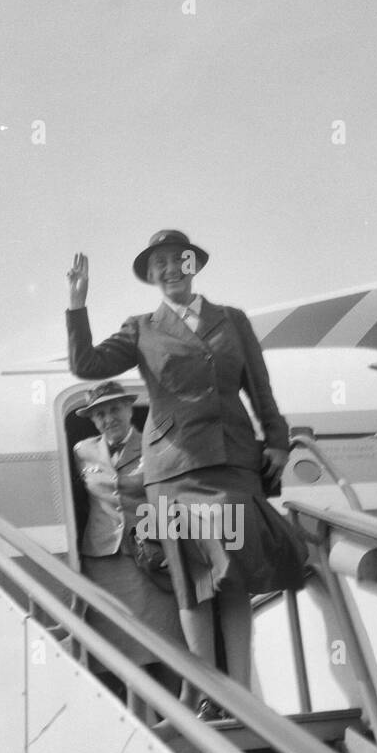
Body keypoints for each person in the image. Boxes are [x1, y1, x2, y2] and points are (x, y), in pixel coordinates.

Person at [66, 229, 306, 719]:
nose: (172, 269)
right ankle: (202, 691)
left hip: (232, 464)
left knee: (235, 575)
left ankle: (239, 694)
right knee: (190, 575)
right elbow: (85, 364)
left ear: (195, 265)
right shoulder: (142, 328)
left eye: (180, 260)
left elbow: (259, 387)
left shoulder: (233, 321)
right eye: (161, 265)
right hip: (172, 471)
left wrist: (277, 441)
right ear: (151, 276)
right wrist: (77, 304)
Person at [71, 380, 184, 696]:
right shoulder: (83, 451)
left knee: (166, 640)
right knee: (119, 645)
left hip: (152, 555)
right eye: (100, 414)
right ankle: (140, 718)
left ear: (128, 408)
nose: (109, 418)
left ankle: (177, 714)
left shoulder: (156, 442)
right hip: (104, 560)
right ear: (93, 420)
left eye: (115, 409)